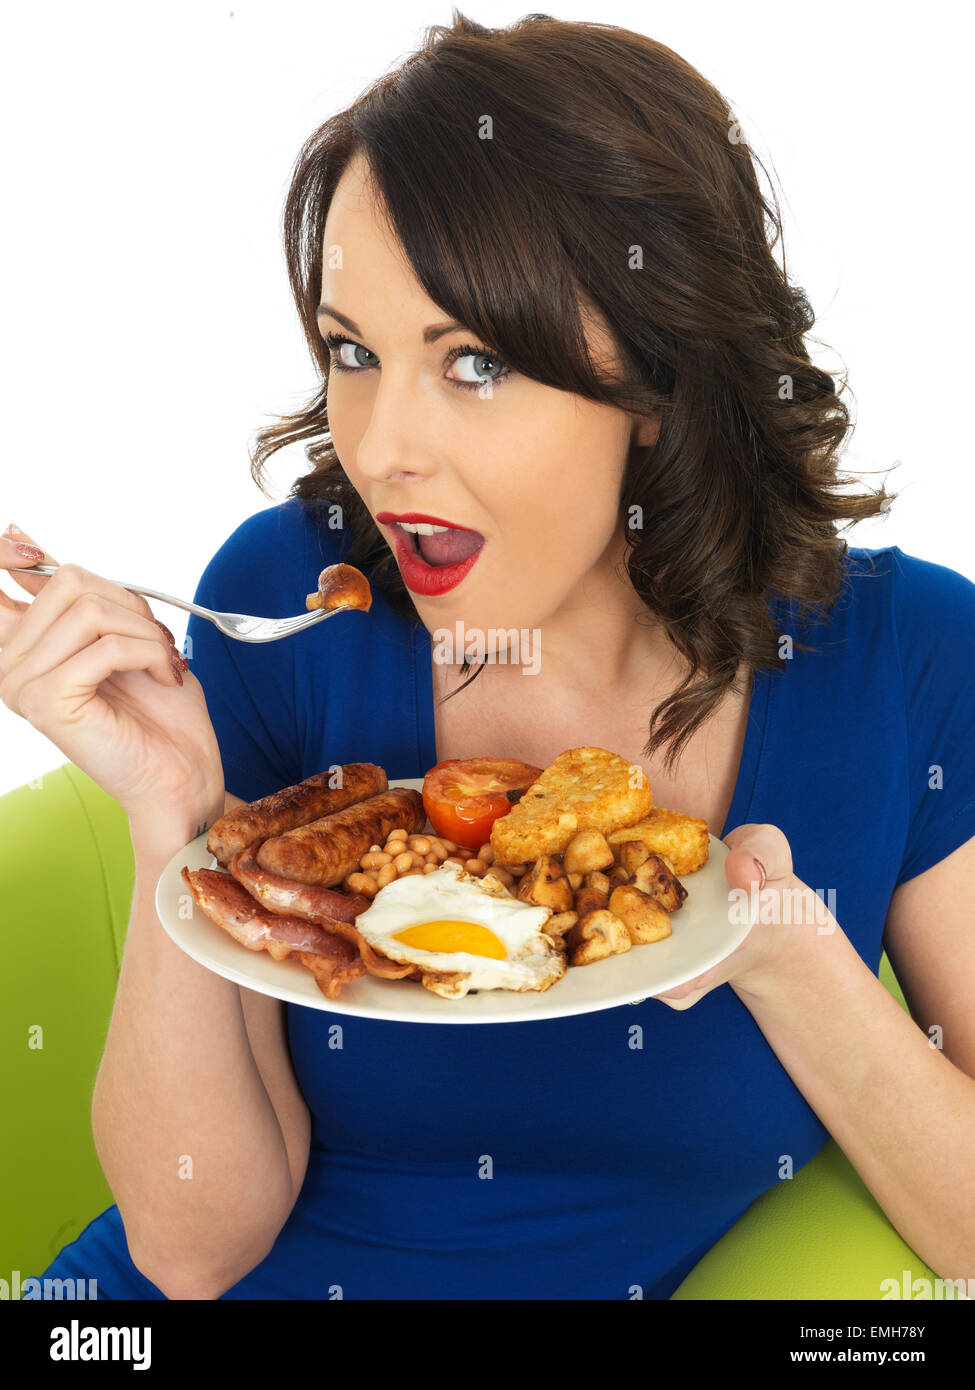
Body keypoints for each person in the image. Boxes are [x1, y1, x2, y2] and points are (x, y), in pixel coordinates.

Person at [5, 12, 975, 1301]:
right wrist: (172, 822)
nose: (384, 448)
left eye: (473, 361)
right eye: (355, 353)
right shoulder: (290, 603)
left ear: (659, 378)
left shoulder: (905, 659)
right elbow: (188, 1251)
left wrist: (790, 962)